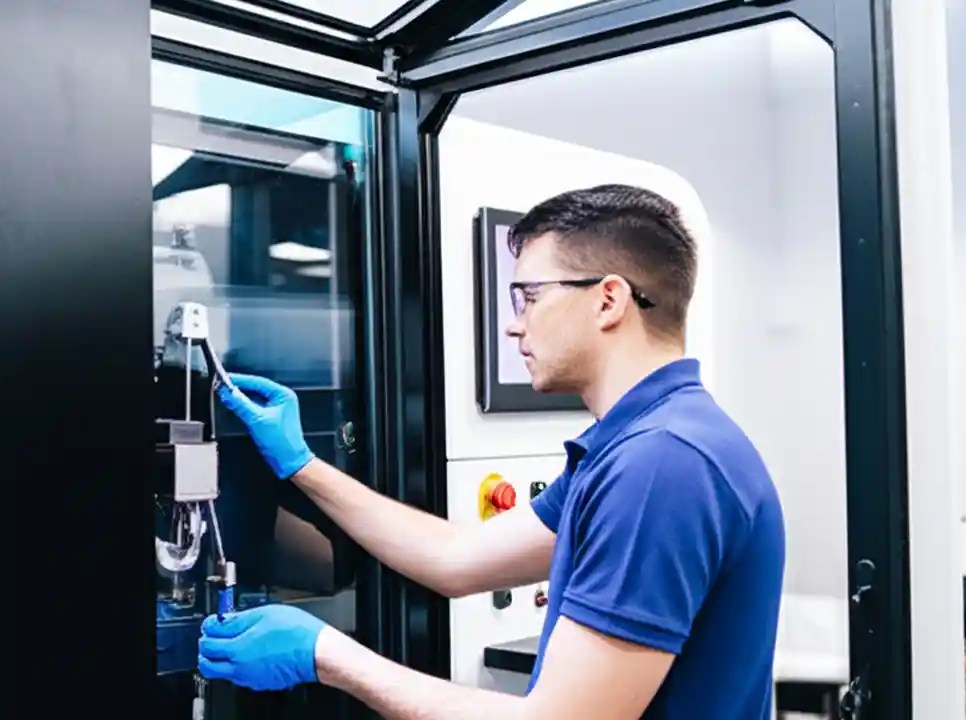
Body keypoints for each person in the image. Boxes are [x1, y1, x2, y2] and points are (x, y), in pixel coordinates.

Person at [200, 184, 786, 719]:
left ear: (608, 301)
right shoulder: (644, 445)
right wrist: (305, 465)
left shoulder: (662, 464)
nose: (513, 326)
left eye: (528, 296)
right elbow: (456, 559)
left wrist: (325, 654)